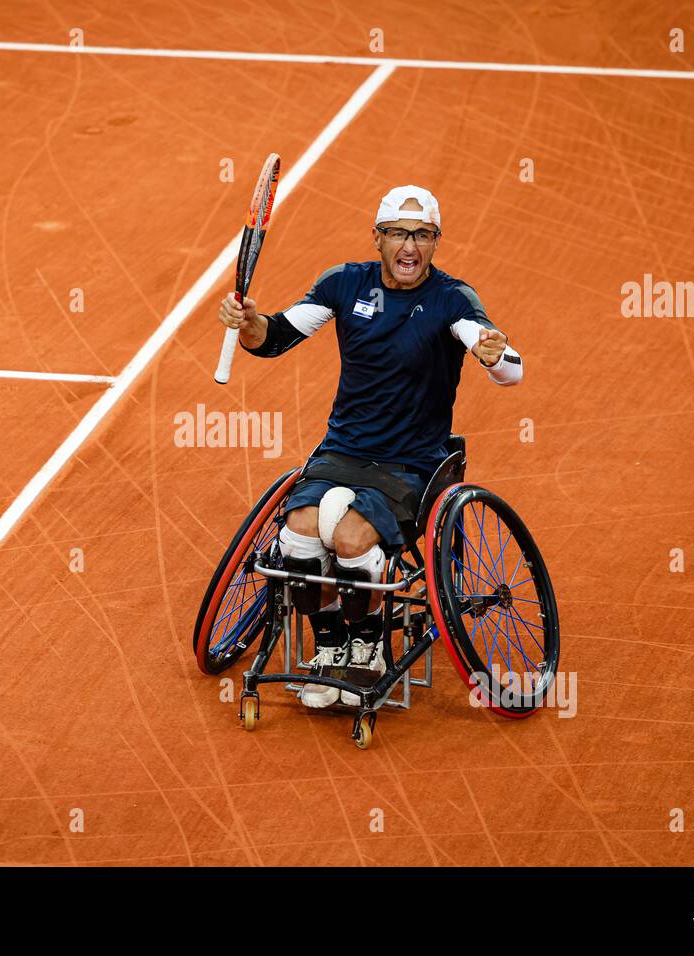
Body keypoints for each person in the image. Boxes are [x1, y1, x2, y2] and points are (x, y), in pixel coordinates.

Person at [216, 185, 523, 707]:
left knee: (354, 539)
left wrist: (495, 355)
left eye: (423, 235)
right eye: (399, 234)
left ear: (435, 242)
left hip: (411, 461)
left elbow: (507, 367)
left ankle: (368, 647)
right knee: (298, 535)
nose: (411, 246)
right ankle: (332, 642)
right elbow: (274, 337)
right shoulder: (344, 283)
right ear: (377, 238)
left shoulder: (452, 300)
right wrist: (247, 325)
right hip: (343, 450)